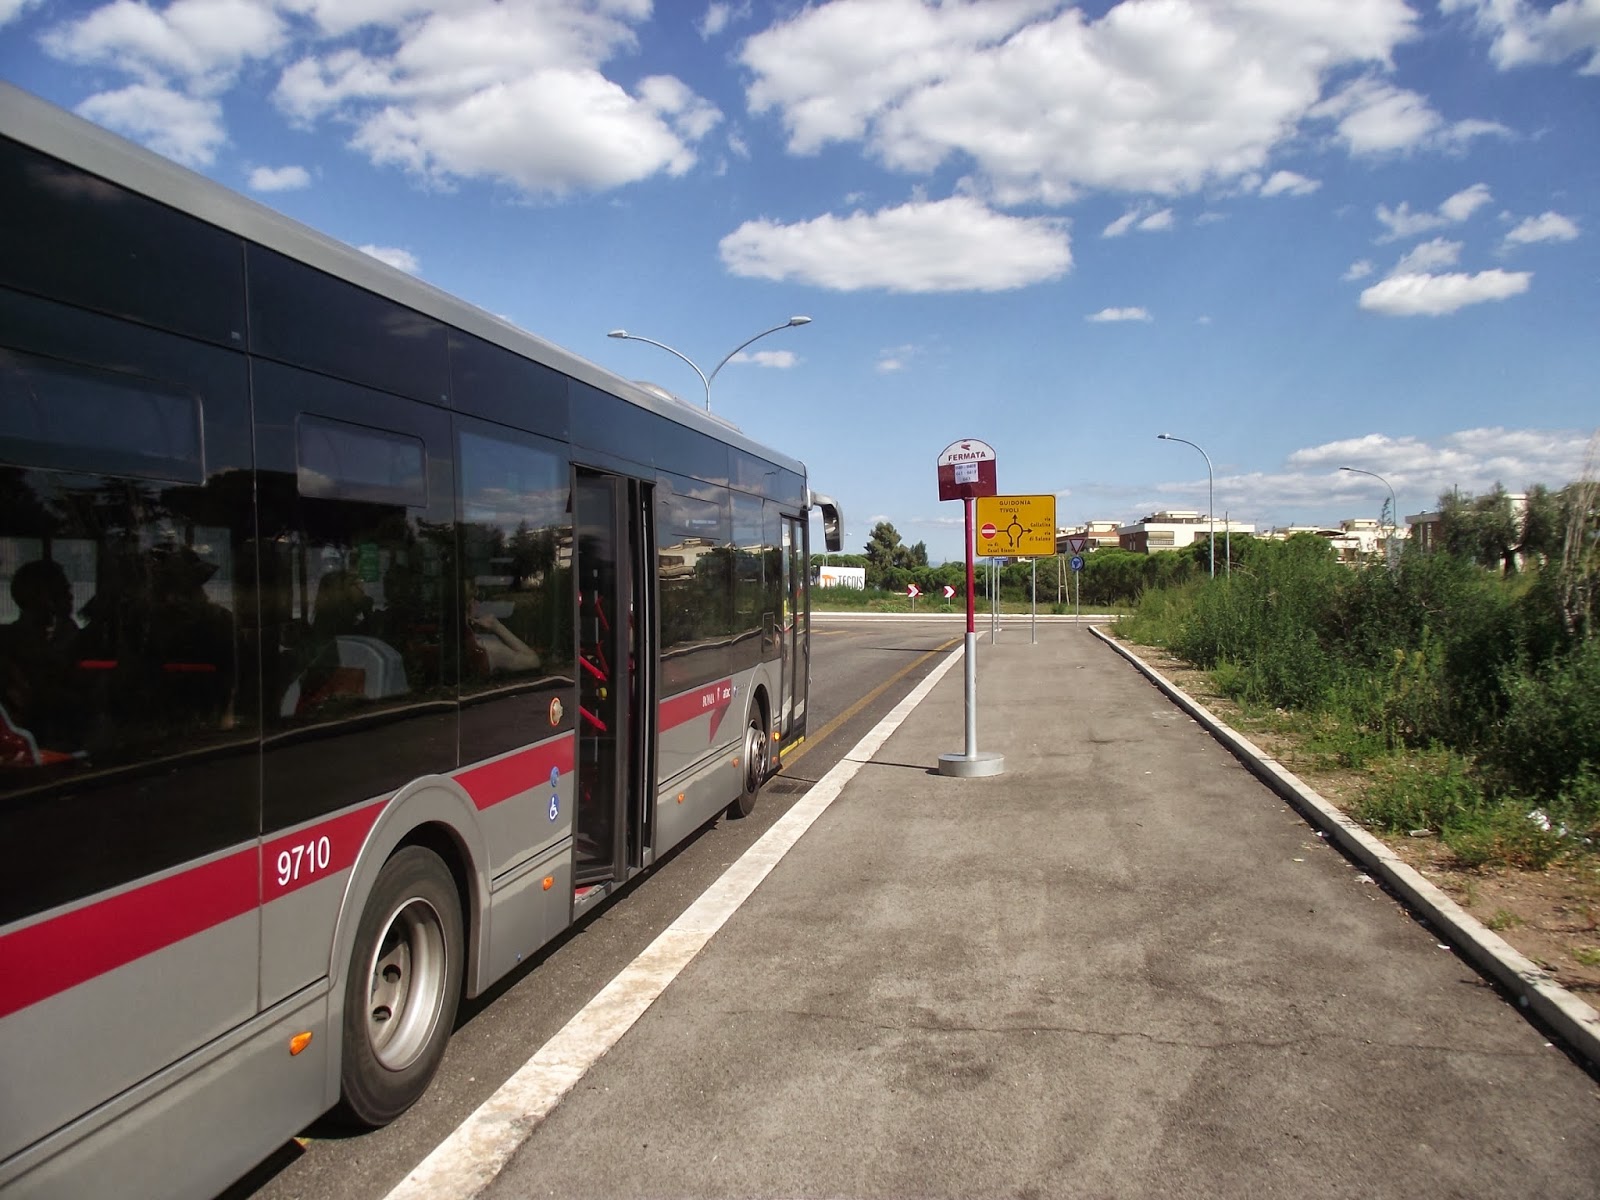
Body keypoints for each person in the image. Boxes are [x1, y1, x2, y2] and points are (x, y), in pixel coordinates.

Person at [0, 558, 86, 755]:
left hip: (76, 746)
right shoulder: (9, 642)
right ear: (41, 596)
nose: (70, 596)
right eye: (63, 590)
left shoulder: (77, 636)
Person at [466, 585, 541, 675]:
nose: (478, 604)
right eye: (475, 599)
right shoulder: (489, 649)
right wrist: (497, 626)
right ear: (469, 604)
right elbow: (533, 662)